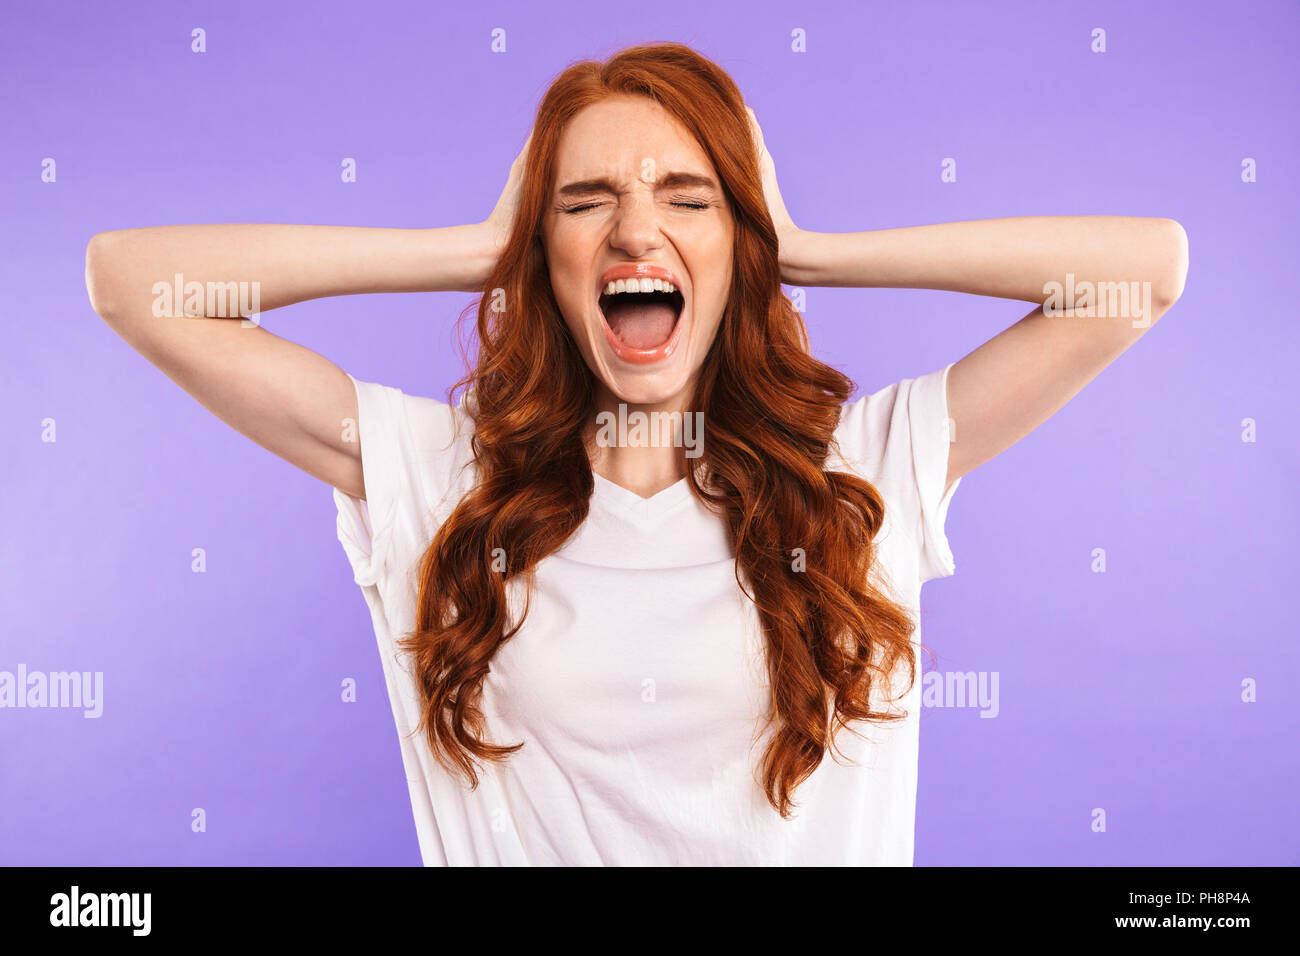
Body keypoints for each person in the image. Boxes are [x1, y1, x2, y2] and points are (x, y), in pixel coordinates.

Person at [83, 42, 1188, 865]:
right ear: (548, 254)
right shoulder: (438, 479)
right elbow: (134, 287)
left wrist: (801, 247)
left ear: (733, 246)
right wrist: (474, 248)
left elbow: (1142, 273)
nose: (634, 229)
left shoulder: (863, 469)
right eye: (586, 200)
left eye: (686, 196)